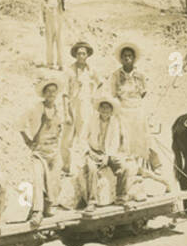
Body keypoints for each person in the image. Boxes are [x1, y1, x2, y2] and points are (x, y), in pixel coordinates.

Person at [109, 43, 161, 178]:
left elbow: (143, 93)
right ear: (121, 59)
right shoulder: (116, 75)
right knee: (124, 138)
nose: (127, 58)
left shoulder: (140, 75)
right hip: (123, 110)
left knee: (144, 136)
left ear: (133, 58)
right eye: (125, 56)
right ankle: (129, 168)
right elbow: (113, 93)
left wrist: (135, 102)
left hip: (137, 109)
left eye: (129, 56)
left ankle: (154, 165)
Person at [19, 76, 65, 227]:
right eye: (48, 92)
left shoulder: (59, 109)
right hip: (39, 151)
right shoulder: (36, 108)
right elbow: (20, 124)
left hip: (53, 150)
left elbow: (61, 127)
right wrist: (28, 141)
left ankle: (51, 205)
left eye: (54, 91)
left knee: (55, 178)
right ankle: (37, 211)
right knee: (38, 180)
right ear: (44, 94)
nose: (51, 94)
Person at [81, 95, 133, 211]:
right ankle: (92, 201)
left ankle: (121, 197)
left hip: (109, 153)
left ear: (111, 111)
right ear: (99, 109)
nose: (105, 111)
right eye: (103, 108)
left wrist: (107, 156)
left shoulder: (115, 123)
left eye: (108, 108)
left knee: (124, 167)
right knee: (92, 169)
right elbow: (83, 138)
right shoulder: (91, 120)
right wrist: (89, 152)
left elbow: (114, 142)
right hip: (93, 152)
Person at [62, 40, 98, 173]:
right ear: (75, 55)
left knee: (83, 137)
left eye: (83, 53)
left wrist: (95, 97)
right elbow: (65, 93)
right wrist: (66, 112)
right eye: (78, 54)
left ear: (87, 55)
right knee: (67, 139)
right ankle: (66, 166)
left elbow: (100, 84)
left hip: (86, 107)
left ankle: (82, 167)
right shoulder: (70, 71)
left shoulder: (91, 70)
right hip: (72, 106)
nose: (81, 56)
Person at [39, 0, 69, 69]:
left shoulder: (58, 0)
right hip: (48, 25)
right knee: (49, 44)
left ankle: (60, 63)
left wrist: (62, 1)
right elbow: (41, 13)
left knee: (60, 43)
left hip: (58, 24)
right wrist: (41, 26)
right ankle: (50, 63)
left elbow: (62, 10)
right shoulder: (43, 1)